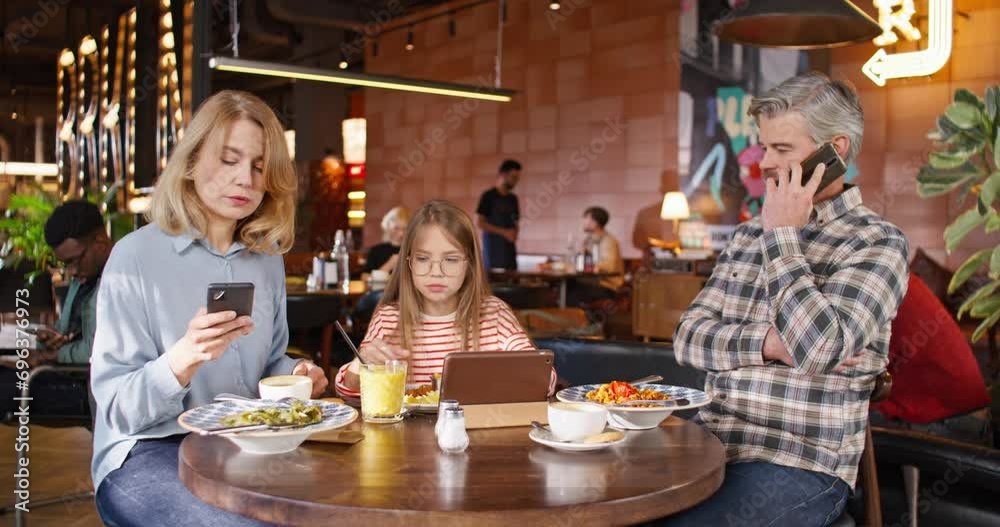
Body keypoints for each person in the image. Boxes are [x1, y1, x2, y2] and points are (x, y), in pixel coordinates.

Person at [666, 72, 909, 526]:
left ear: (834, 151)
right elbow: (687, 339)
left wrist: (781, 235)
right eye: (764, 148)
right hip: (708, 444)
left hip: (799, 463)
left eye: (782, 150)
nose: (765, 164)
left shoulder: (877, 243)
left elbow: (817, 349)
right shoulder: (745, 235)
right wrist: (772, 344)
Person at [90, 90, 329, 527]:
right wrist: (183, 359)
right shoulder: (134, 258)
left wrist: (294, 372)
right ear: (193, 161)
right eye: (229, 159)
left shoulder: (266, 260)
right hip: (149, 450)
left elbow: (272, 360)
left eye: (259, 166)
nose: (246, 179)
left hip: (243, 442)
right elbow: (119, 411)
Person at [335, 200, 555, 398]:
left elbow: (544, 379)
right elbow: (350, 390)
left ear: (469, 264)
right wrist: (360, 363)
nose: (436, 272)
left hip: (477, 438)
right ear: (409, 263)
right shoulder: (388, 319)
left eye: (450, 259)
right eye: (423, 259)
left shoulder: (494, 315)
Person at [0, 200, 112, 418]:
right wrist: (52, 339)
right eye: (65, 264)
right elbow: (66, 331)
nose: (71, 271)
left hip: (90, 387)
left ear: (100, 240)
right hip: (67, 374)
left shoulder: (119, 282)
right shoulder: (81, 279)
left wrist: (54, 355)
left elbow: (101, 351)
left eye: (75, 260)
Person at [567, 206, 625, 307]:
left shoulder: (608, 241)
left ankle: (577, 321)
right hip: (592, 282)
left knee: (572, 293)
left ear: (595, 222)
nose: (583, 222)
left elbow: (609, 266)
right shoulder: (588, 240)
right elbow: (580, 261)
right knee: (565, 286)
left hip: (607, 286)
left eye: (586, 218)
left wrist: (587, 266)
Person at [476, 159, 521, 270]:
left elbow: (516, 221)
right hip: (493, 252)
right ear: (503, 175)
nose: (516, 181)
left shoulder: (513, 199)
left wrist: (515, 232)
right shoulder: (488, 196)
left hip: (510, 252)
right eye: (514, 177)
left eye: (517, 178)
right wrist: (504, 232)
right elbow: (480, 223)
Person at [361, 205, 410, 277]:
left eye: (404, 229)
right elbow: (365, 277)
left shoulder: (413, 250)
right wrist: (390, 264)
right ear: (388, 227)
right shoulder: (376, 251)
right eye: (396, 228)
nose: (401, 233)